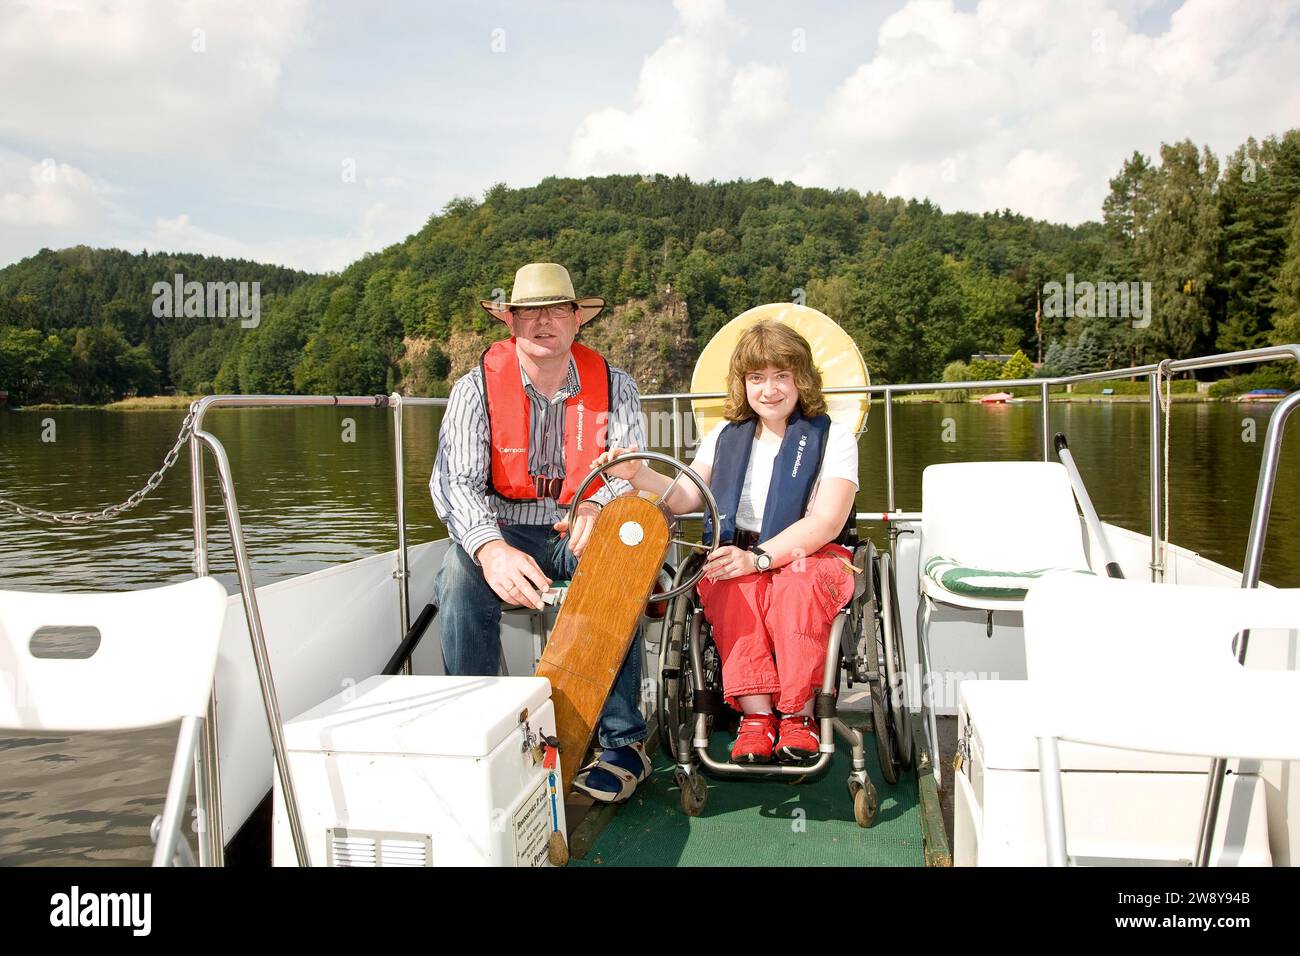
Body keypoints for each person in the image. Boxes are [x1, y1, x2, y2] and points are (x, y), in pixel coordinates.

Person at [430, 261, 652, 802]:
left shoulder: (616, 387)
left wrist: (596, 506)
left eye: (556, 309)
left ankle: (624, 743)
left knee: (621, 562)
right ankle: (477, 730)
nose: (543, 321)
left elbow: (628, 471)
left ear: (577, 319)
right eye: (529, 311)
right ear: (511, 322)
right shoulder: (473, 391)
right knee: (460, 574)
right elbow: (454, 484)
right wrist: (491, 550)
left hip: (584, 527)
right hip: (507, 530)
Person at [591, 319, 858, 764]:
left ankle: (798, 716)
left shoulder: (834, 438)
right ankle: (756, 718)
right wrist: (638, 474)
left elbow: (827, 522)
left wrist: (759, 559)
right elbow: (684, 497)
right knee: (727, 583)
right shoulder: (724, 438)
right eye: (757, 378)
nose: (769, 390)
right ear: (743, 384)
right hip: (739, 553)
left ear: (802, 380)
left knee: (796, 586)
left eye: (781, 376)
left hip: (809, 555)